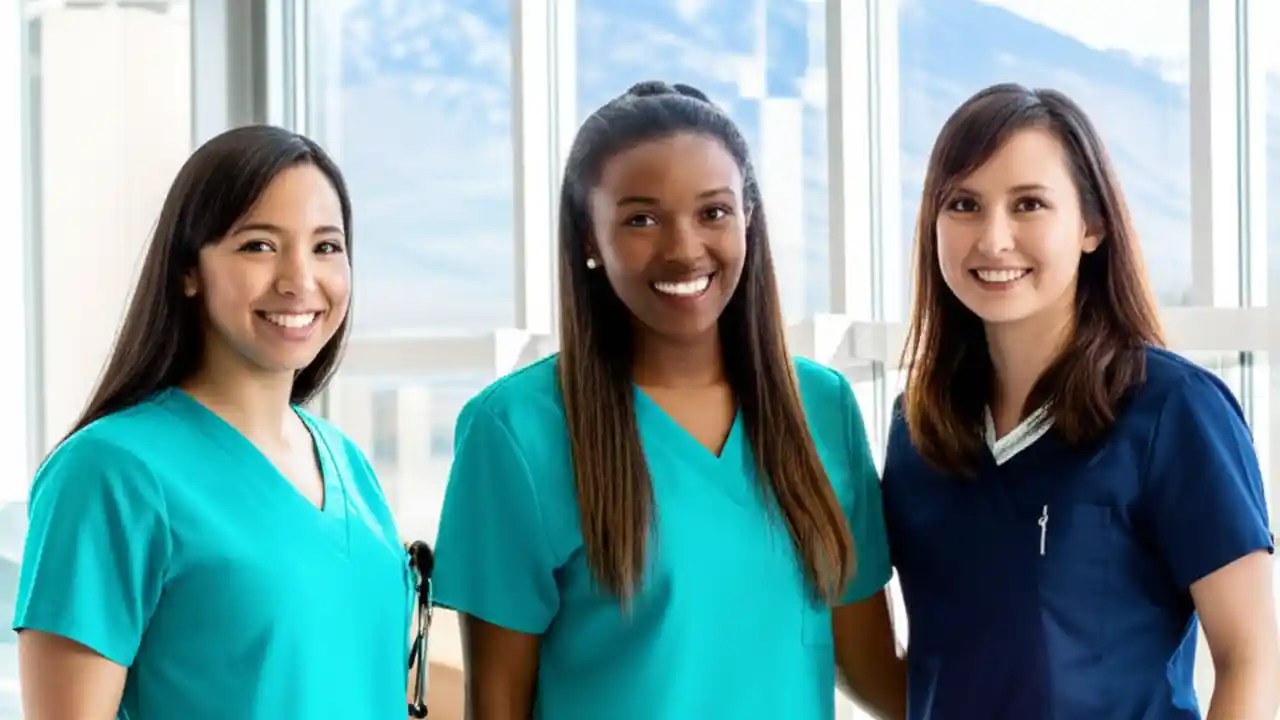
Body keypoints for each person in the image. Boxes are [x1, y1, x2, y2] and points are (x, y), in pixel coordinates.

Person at [430, 81, 906, 719]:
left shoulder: (822, 407)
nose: (684, 248)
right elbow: (497, 704)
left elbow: (874, 669)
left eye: (713, 212)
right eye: (642, 219)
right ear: (590, 239)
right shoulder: (515, 429)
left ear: (749, 219)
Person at [883, 82, 1280, 720]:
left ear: (1091, 225)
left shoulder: (1171, 410)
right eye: (963, 204)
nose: (993, 239)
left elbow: (1251, 657)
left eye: (1029, 204)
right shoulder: (919, 424)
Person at [13, 125, 413, 719]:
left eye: (326, 247)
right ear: (188, 271)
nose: (299, 280)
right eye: (259, 245)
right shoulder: (110, 473)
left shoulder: (346, 461)